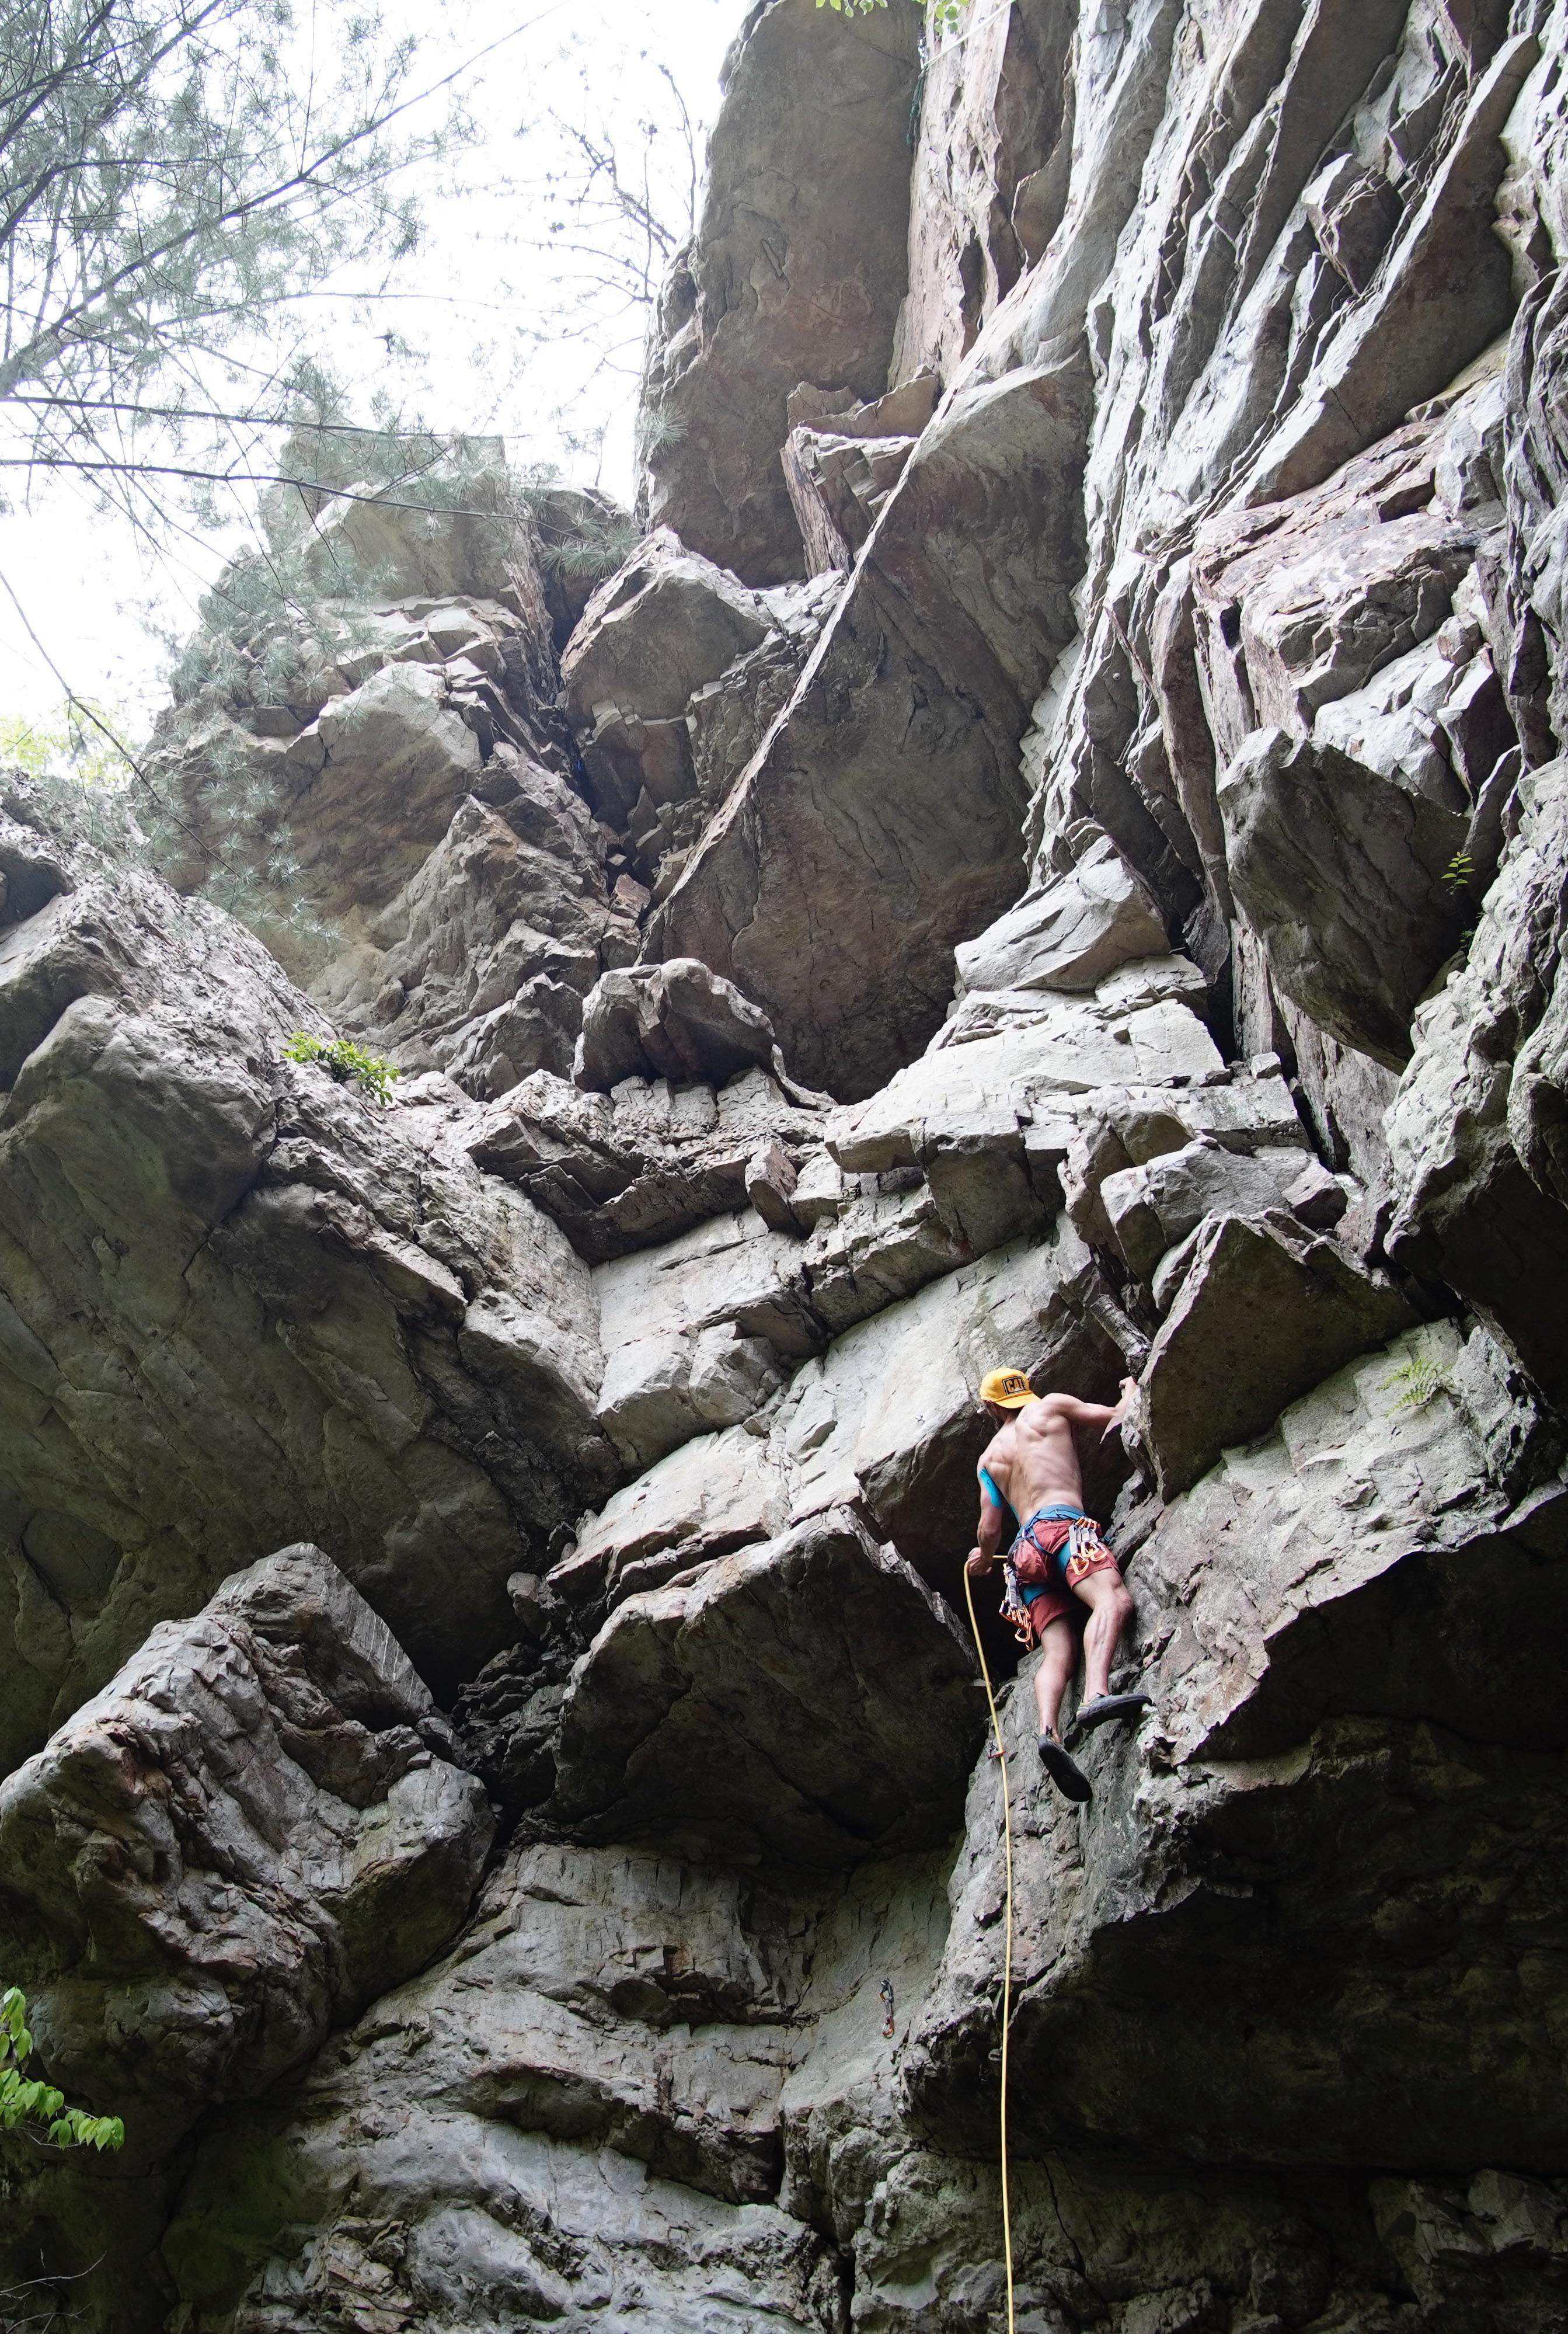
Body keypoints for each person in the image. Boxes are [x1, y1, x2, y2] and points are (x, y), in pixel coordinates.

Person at [966, 1366, 1150, 1802]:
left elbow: (990, 1529)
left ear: (991, 1406)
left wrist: (982, 1559)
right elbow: (1117, 1416)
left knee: (1058, 1652)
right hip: (1064, 1529)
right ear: (1024, 1391)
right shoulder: (1051, 1406)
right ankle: (1096, 1695)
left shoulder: (988, 1459)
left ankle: (1049, 1733)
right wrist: (1131, 1388)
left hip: (1022, 1556)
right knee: (1112, 1600)